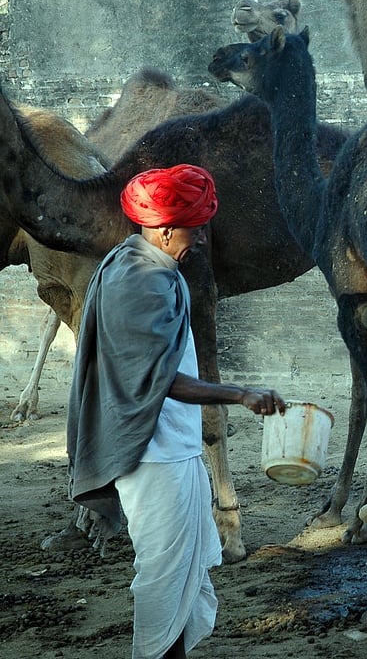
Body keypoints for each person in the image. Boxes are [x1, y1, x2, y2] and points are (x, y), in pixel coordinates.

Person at [65, 164, 288, 659]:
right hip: (155, 455)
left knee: (180, 580)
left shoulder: (138, 262)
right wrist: (239, 394)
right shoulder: (140, 283)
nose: (203, 237)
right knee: (163, 582)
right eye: (197, 226)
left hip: (169, 448)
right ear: (165, 229)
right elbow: (160, 380)